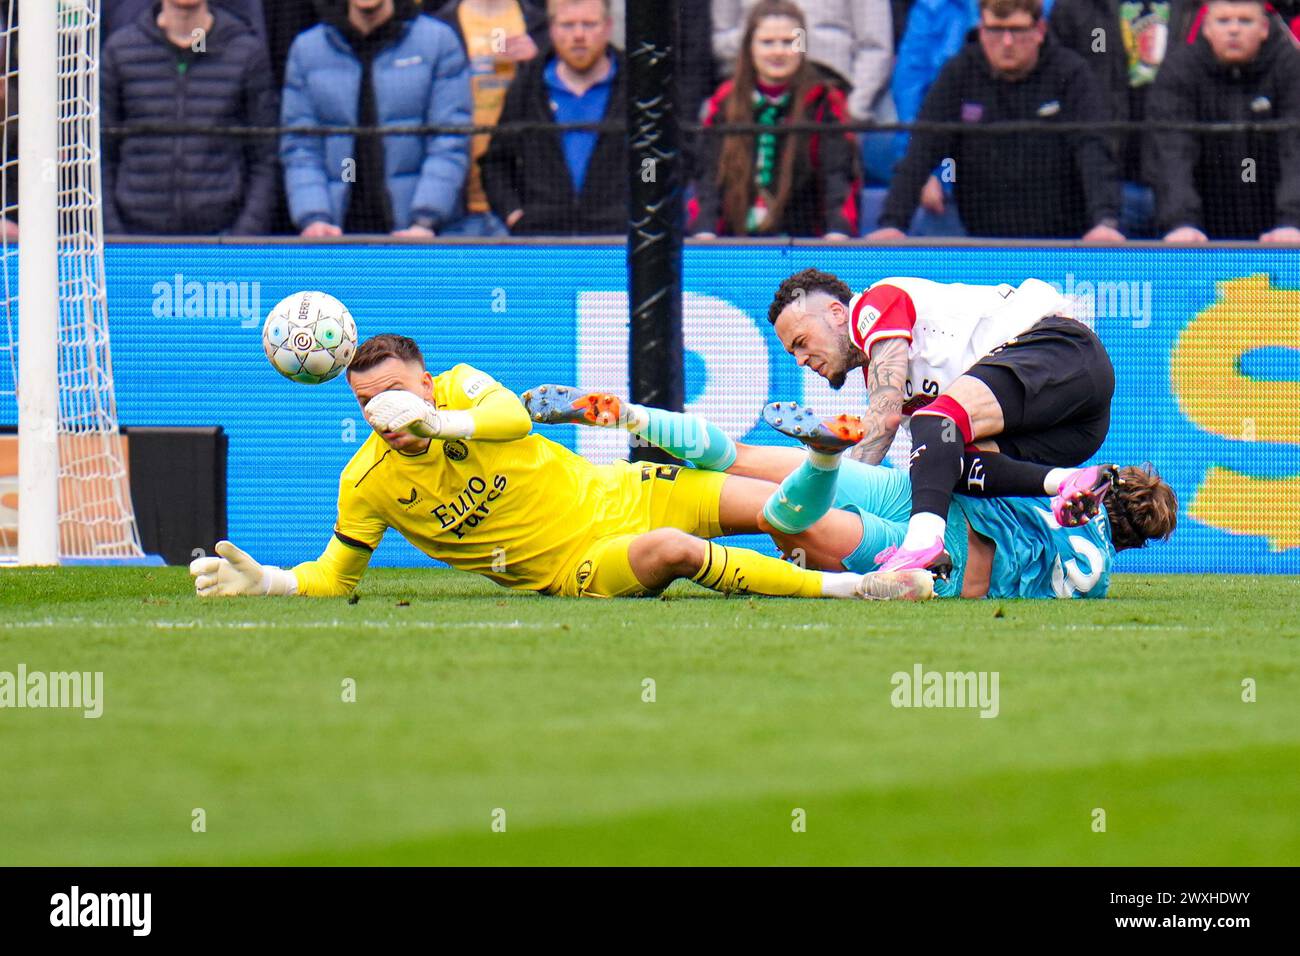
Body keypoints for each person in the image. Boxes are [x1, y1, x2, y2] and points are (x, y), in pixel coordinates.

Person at [190, 334, 932, 602]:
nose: (381, 412)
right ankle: (859, 588)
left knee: (783, 516)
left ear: (424, 382)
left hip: (633, 489)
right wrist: (275, 580)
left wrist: (440, 419)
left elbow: (514, 417)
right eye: (365, 404)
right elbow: (337, 576)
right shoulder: (368, 481)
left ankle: (829, 465)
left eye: (394, 394)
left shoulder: (464, 392)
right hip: (581, 563)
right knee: (671, 554)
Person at [520, 386, 1177, 599]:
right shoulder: (1095, 575)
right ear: (1133, 538)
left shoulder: (1067, 488)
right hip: (939, 556)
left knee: (745, 459)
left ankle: (634, 416)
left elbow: (984, 466)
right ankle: (822, 460)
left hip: (922, 488)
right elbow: (997, 575)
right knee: (799, 529)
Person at [766, 267, 1121, 576]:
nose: (799, 359)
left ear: (836, 313)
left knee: (937, 421)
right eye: (792, 351)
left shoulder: (873, 304)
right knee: (951, 464)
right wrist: (822, 523)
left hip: (1062, 351)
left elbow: (885, 417)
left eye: (801, 342)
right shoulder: (896, 378)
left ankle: (922, 545)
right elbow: (911, 448)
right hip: (1078, 427)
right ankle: (1068, 481)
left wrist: (824, 505)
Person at [869, 0, 1125, 240]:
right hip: (983, 241)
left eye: (1017, 30)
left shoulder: (1072, 74)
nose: (1006, 42)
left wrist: (1105, 221)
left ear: (1040, 30)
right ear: (980, 30)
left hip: (1061, 241)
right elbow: (921, 150)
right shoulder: (958, 73)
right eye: (995, 30)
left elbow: (1094, 151)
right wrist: (891, 223)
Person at [280, 0, 471, 238]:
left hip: (417, 237)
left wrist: (424, 220)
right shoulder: (308, 49)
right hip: (336, 237)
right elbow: (301, 147)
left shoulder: (438, 42)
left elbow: (449, 140)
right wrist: (315, 218)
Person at [100, 0, 279, 236]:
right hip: (134, 242)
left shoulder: (245, 52)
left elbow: (265, 159)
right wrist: (117, 237)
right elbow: (100, 156)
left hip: (222, 243)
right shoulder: (119, 51)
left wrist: (242, 240)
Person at [692, 0, 859, 238]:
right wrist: (705, 232)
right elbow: (708, 178)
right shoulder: (724, 101)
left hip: (804, 244)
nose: (778, 51)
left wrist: (837, 233)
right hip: (733, 248)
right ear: (750, 47)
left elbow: (838, 178)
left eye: (789, 42)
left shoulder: (825, 101)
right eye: (767, 42)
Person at [1147, 0, 1300, 241]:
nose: (1234, 29)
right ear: (1206, 27)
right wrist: (1181, 222)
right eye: (1223, 20)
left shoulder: (1290, 67)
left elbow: (1295, 150)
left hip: (1278, 226)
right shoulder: (1179, 70)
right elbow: (1172, 153)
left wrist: (1293, 222)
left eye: (1245, 21)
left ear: (1264, 28)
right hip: (1202, 224)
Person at [479, 0, 627, 235]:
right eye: (567, 25)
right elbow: (497, 163)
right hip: (544, 248)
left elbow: (650, 160)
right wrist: (515, 214)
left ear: (608, 26)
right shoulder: (528, 87)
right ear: (551, 28)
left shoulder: (637, 87)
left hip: (617, 244)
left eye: (589, 25)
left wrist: (644, 200)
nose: (579, 35)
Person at [433, 0, 549, 236]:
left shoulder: (543, 26)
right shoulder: (439, 26)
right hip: (452, 200)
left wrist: (540, 59)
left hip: (519, 205)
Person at [711, 0, 894, 121]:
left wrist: (853, 109)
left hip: (827, 87)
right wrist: (763, 34)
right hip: (752, 89)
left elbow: (875, 47)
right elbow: (718, 40)